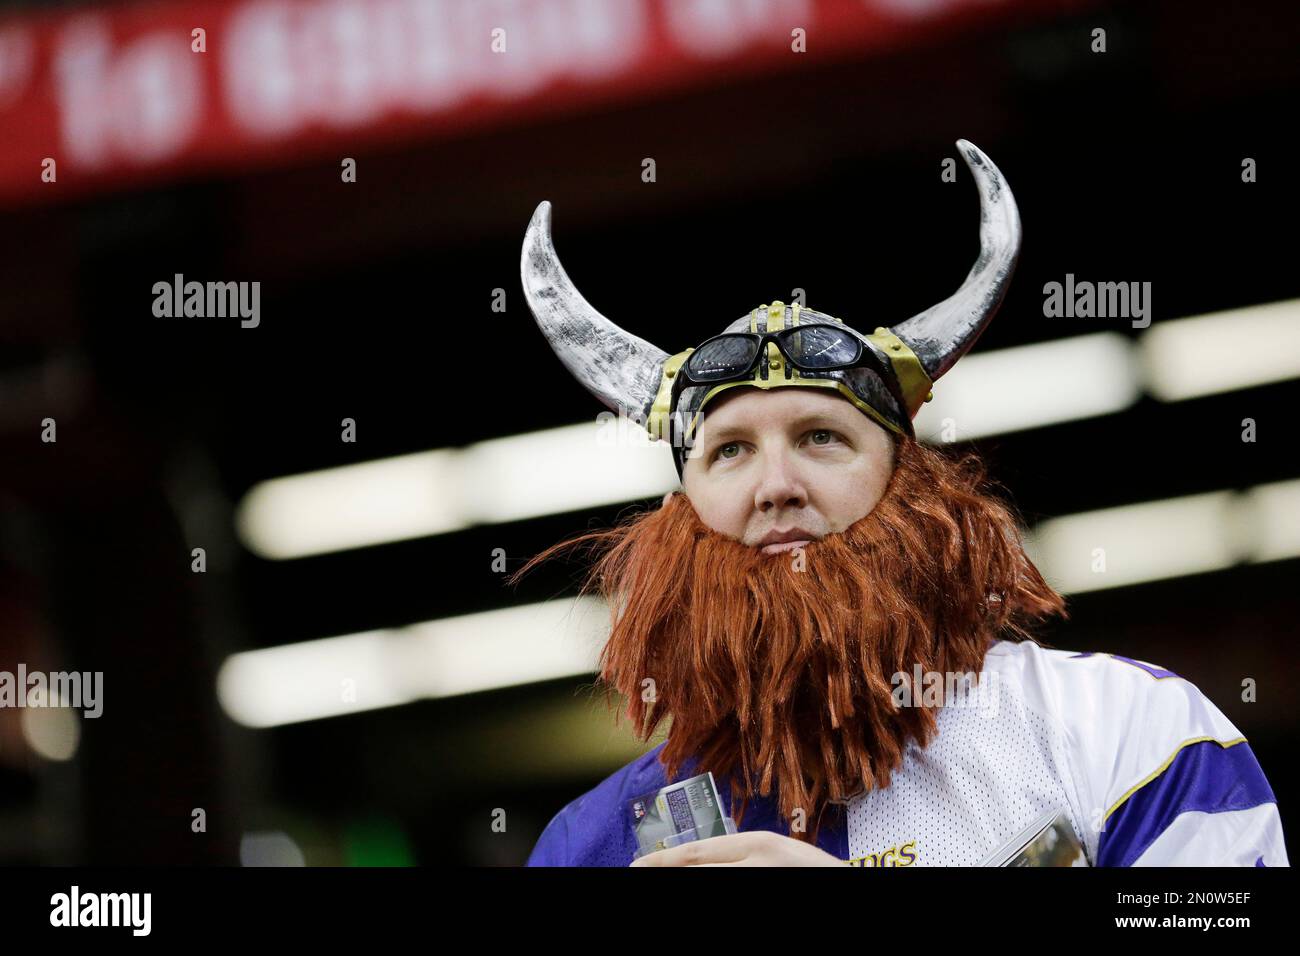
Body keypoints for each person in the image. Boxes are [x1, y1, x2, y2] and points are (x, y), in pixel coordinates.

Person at [513, 141, 1289, 867]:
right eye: (730, 451)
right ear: (681, 513)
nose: (775, 485)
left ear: (911, 486)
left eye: (821, 437)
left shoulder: (1123, 725)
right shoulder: (597, 841)